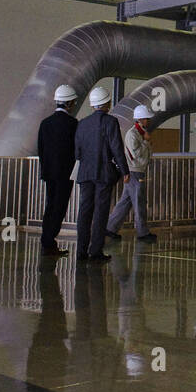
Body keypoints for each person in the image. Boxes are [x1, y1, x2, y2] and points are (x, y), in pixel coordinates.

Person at [73, 85, 127, 263]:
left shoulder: (82, 123)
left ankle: (81, 251)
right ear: (107, 103)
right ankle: (95, 251)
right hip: (103, 174)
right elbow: (117, 148)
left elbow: (77, 152)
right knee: (100, 213)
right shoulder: (111, 122)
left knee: (84, 212)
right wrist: (124, 170)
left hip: (85, 173)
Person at [37, 84, 80, 257]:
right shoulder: (73, 124)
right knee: (59, 208)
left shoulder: (45, 123)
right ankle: (48, 240)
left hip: (49, 172)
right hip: (65, 173)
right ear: (69, 103)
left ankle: (47, 239)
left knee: (50, 205)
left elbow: (40, 148)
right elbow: (76, 149)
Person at [105, 105, 157, 245]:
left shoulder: (141, 132)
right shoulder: (133, 134)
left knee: (125, 203)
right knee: (139, 202)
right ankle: (142, 232)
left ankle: (110, 228)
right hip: (135, 171)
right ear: (140, 119)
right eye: (147, 118)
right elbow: (133, 154)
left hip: (138, 170)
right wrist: (146, 141)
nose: (148, 120)